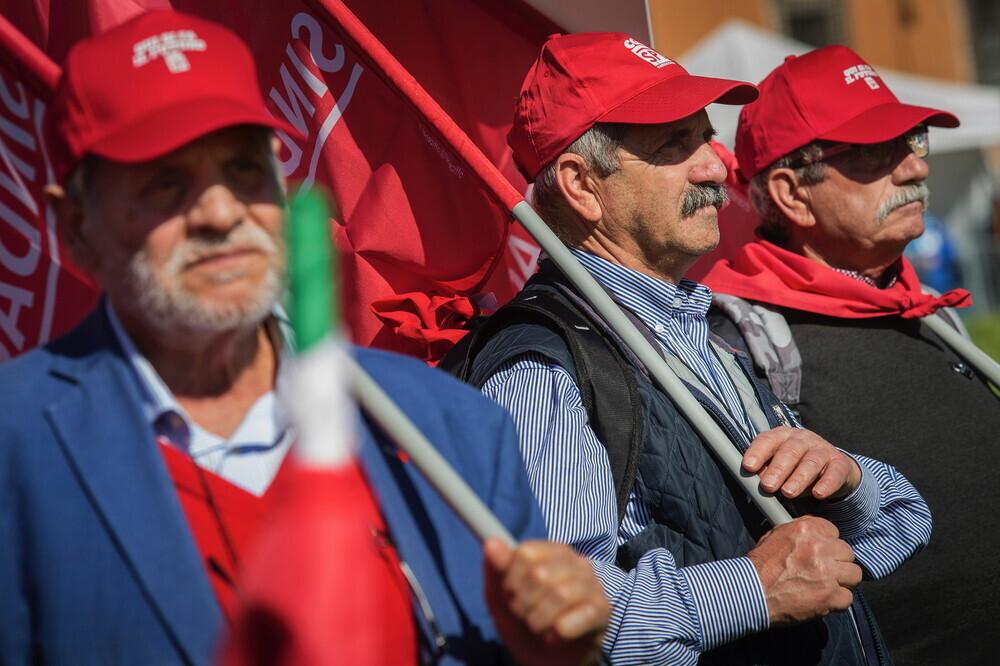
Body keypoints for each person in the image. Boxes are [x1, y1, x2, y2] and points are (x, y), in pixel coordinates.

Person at [0, 11, 609, 666]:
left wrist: (551, 656)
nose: (220, 213)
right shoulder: (18, 442)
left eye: (243, 171)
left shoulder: (451, 428)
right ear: (75, 226)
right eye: (165, 183)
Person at [454, 32, 932, 665]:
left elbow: (904, 519)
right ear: (581, 185)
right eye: (675, 145)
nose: (717, 165)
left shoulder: (690, 327)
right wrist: (753, 592)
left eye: (705, 136)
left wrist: (844, 481)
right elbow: (574, 622)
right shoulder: (539, 368)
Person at [702, 45, 1000, 666]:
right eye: (874, 152)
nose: (914, 169)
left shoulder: (922, 303)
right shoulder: (735, 335)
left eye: (911, 141)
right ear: (791, 192)